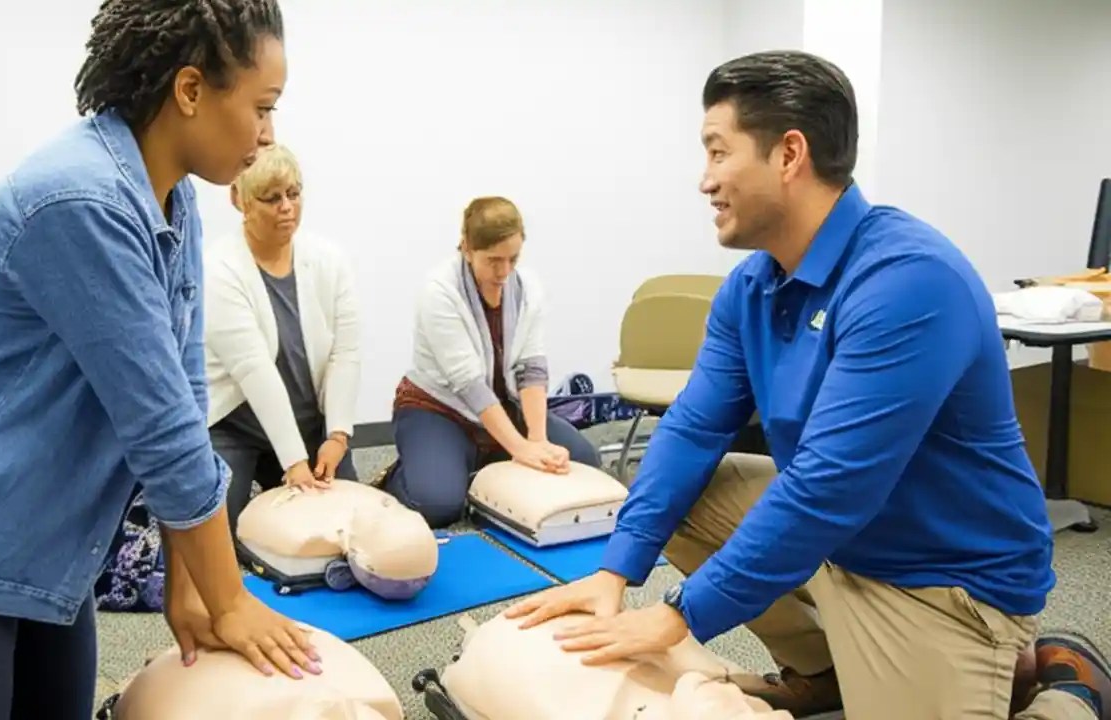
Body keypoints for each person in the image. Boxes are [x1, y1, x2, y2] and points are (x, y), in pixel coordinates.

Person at [505, 50, 1111, 720]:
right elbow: (693, 427)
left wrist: (681, 617)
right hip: (846, 542)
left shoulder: (907, 280)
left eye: (717, 152)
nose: (704, 181)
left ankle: (1067, 688)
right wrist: (612, 571)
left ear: (788, 154)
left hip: (945, 582)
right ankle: (825, 674)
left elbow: (829, 487)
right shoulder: (752, 287)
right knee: (684, 485)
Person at [0, 2, 322, 718]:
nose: (269, 134)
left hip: (46, 558)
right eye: (262, 107)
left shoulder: (174, 201)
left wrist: (189, 582)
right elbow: (160, 427)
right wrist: (231, 598)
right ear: (190, 91)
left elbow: (184, 398)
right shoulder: (79, 198)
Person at [381, 196, 602, 528]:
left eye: (513, 259)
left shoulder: (527, 288)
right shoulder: (439, 292)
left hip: (502, 409)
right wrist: (521, 449)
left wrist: (537, 440)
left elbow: (532, 368)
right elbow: (468, 384)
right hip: (441, 411)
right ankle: (406, 472)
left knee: (585, 462)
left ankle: (477, 465)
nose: (504, 271)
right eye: (493, 260)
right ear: (467, 249)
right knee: (438, 505)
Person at [204, 143, 361, 537]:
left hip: (310, 422)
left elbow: (346, 353)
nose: (287, 207)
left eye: (293, 194)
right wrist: (294, 462)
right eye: (271, 198)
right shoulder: (218, 270)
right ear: (240, 201)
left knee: (345, 524)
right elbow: (254, 370)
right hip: (234, 424)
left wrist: (337, 436)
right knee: (218, 534)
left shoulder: (329, 260)